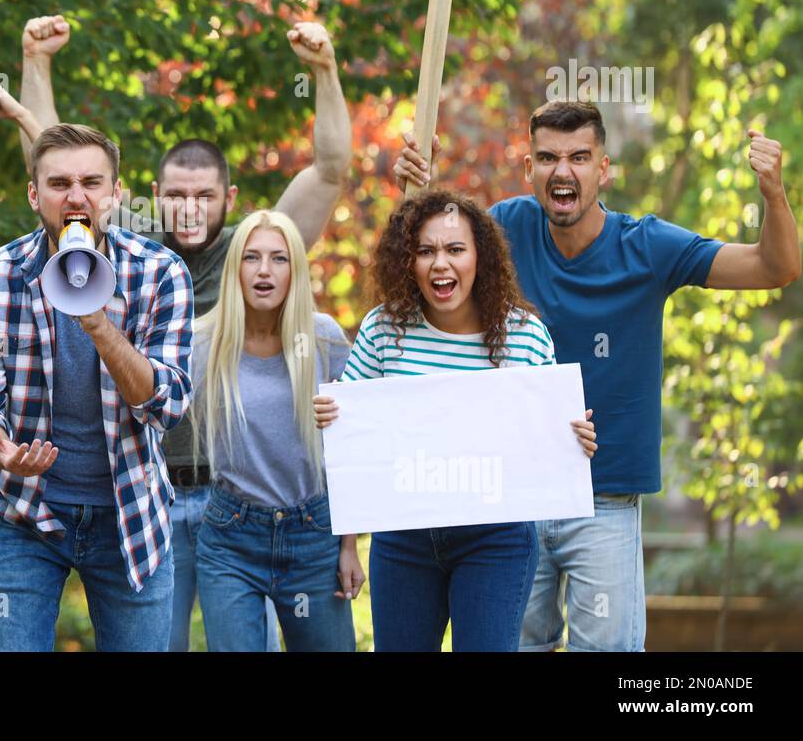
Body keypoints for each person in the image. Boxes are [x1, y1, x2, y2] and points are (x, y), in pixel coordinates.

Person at [0, 12, 354, 650]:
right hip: (150, 491)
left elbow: (330, 170)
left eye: (205, 195)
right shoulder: (123, 256)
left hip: (237, 495)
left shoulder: (253, 254)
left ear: (228, 198)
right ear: (146, 195)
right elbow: (58, 169)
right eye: (176, 194)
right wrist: (35, 66)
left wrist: (325, 69)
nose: (189, 207)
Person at [394, 102, 800, 651]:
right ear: (530, 169)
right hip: (517, 497)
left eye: (579, 157)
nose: (563, 171)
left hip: (605, 499)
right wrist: (422, 189)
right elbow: (432, 261)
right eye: (548, 158)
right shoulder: (504, 230)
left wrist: (774, 195)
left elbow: (774, 268)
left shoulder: (648, 247)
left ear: (603, 169)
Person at [314, 190, 598, 651]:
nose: (439, 264)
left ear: (479, 258)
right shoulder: (384, 330)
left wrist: (574, 438)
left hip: (496, 541)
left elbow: (547, 436)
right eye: (425, 251)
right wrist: (333, 420)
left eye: (455, 250)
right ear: (408, 261)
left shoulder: (524, 335)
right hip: (403, 540)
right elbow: (356, 449)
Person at [0, 122, 194, 651]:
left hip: (129, 510)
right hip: (20, 512)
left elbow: (169, 406)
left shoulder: (160, 272)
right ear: (36, 195)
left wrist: (99, 324)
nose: (76, 196)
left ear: (116, 195)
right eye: (60, 184)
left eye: (91, 182)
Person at [191, 210, 360, 651]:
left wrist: (349, 546)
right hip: (231, 536)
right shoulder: (202, 343)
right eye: (251, 258)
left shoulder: (322, 340)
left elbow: (350, 451)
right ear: (236, 269)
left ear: (295, 271)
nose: (264, 271)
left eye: (279, 259)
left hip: (314, 534)